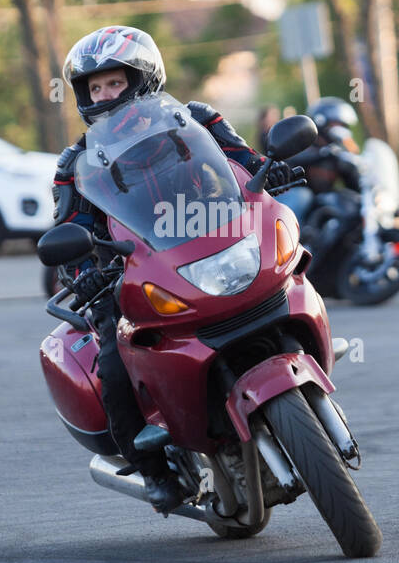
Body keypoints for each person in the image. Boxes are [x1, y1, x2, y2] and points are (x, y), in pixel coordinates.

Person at [51, 25, 299, 514]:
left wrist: (276, 169)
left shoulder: (197, 118)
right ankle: (154, 471)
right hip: (132, 274)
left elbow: (242, 160)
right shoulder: (76, 162)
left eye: (114, 83)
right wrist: (84, 273)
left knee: (291, 276)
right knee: (115, 364)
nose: (103, 94)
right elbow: (70, 227)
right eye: (94, 87)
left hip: (219, 242)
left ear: (143, 78)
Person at [278, 96, 362, 223]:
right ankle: (287, 238)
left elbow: (354, 186)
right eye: (337, 124)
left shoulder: (338, 153)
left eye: (343, 125)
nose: (341, 130)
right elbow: (292, 161)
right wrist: (323, 153)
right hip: (295, 200)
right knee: (302, 196)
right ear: (321, 122)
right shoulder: (302, 143)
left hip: (322, 203)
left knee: (350, 199)